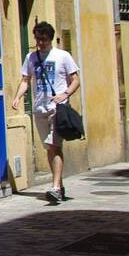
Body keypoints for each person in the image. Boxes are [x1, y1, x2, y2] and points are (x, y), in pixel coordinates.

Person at [11, 21, 79, 204]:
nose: (40, 42)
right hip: (39, 109)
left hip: (57, 108)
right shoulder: (31, 58)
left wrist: (64, 94)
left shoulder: (62, 56)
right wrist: (17, 97)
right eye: (38, 39)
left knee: (54, 145)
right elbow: (26, 79)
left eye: (44, 39)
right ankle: (60, 186)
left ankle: (55, 188)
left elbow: (75, 80)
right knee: (49, 148)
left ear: (50, 38)